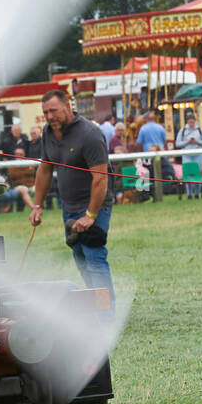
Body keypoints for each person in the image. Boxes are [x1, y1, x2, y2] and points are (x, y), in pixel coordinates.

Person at [30, 88, 115, 307]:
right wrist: (37, 205)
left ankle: (105, 313)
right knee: (81, 259)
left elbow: (100, 179)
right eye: (46, 112)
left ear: (68, 107)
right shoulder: (48, 133)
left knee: (94, 257)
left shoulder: (90, 134)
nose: (50, 117)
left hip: (94, 205)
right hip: (68, 207)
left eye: (54, 111)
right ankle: (96, 303)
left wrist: (90, 215)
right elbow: (45, 170)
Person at [175, 111, 202, 199]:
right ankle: (189, 194)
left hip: (199, 155)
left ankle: (197, 193)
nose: (191, 123)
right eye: (190, 122)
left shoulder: (200, 130)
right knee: (188, 174)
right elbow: (177, 144)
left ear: (195, 121)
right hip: (187, 155)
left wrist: (196, 141)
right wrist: (187, 142)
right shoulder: (182, 131)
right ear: (187, 122)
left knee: (198, 174)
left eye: (192, 121)